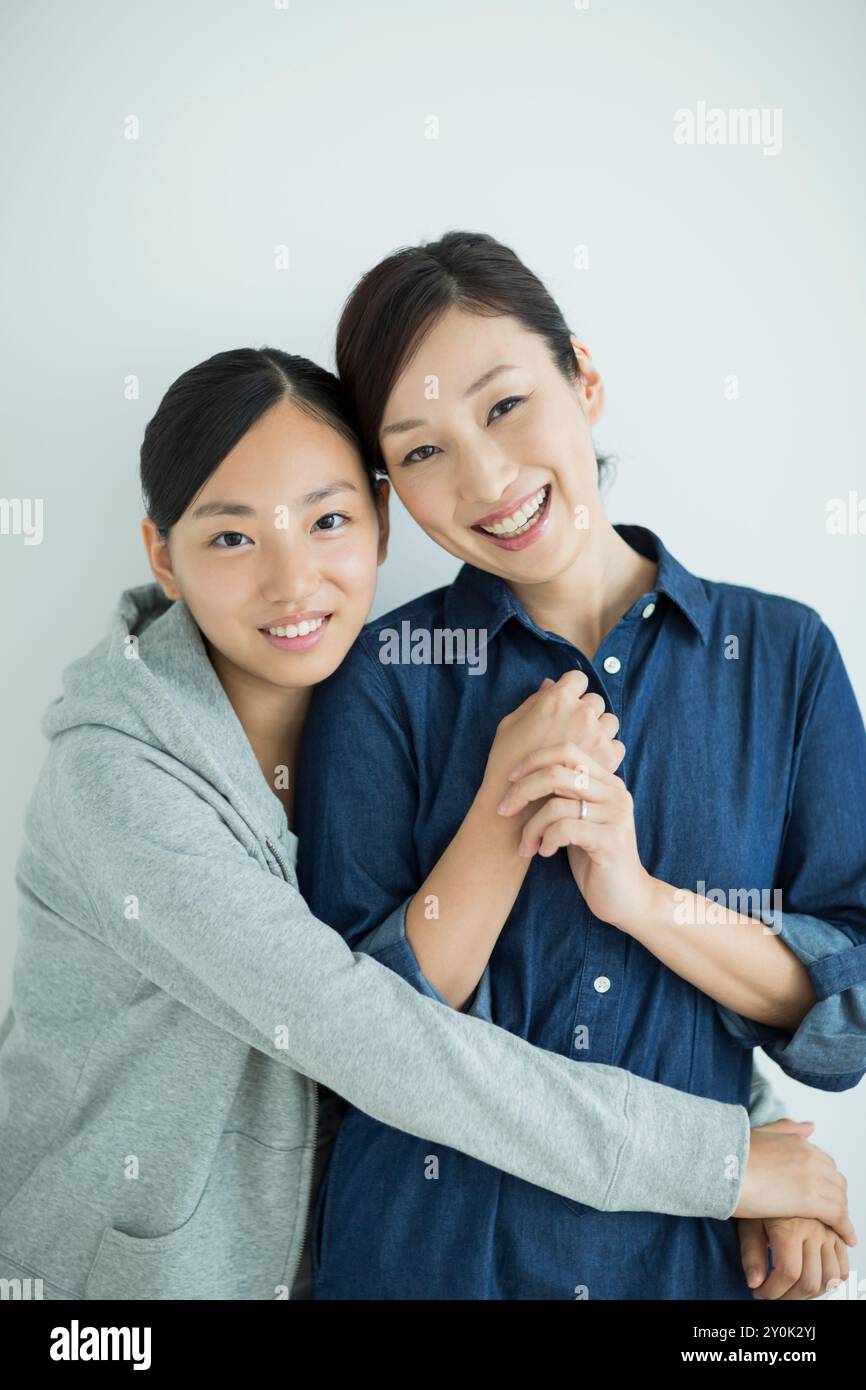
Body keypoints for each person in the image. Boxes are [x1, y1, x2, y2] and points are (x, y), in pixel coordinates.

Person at [294, 232, 866, 1300]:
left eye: (504, 405)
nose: (486, 478)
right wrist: (502, 817)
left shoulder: (782, 656)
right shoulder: (379, 677)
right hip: (426, 1263)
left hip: (681, 1270)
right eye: (420, 450)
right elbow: (352, 1040)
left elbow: (848, 1014)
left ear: (583, 378)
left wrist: (640, 900)